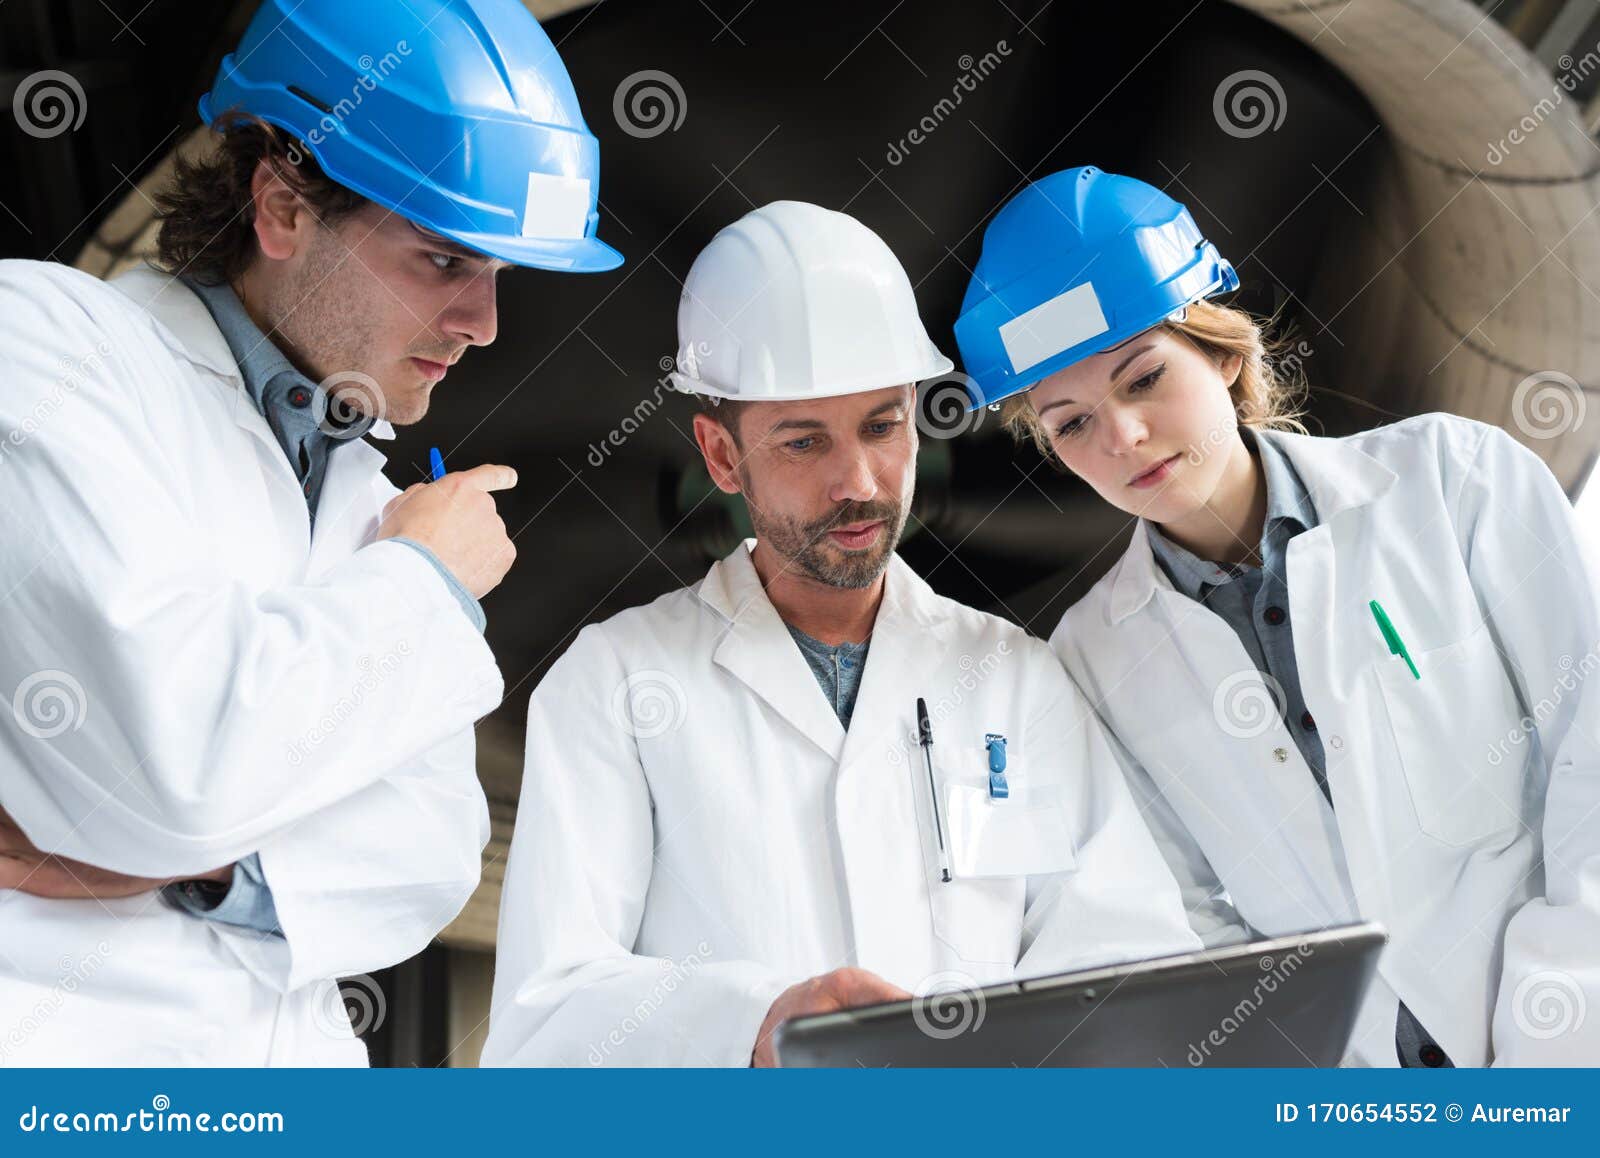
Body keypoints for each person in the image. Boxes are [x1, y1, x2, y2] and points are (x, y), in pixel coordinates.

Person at [0, 0, 621, 1065]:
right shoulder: (47, 344)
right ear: (283, 209)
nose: (483, 324)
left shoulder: (359, 483)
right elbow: (175, 773)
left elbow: (434, 850)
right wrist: (426, 579)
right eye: (444, 260)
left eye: (499, 276)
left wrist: (210, 869)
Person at [481, 200, 1200, 1068]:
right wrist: (756, 1026)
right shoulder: (614, 682)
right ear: (722, 456)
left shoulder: (1017, 677)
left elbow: (1129, 959)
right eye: (803, 443)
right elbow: (545, 1021)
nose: (858, 482)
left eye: (882, 427)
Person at [953, 165, 1600, 1067]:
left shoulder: (1457, 482)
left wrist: (1553, 1038)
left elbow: (1588, 756)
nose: (1123, 437)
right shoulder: (1090, 660)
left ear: (1222, 351)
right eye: (1071, 424)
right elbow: (1188, 922)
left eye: (1144, 378)